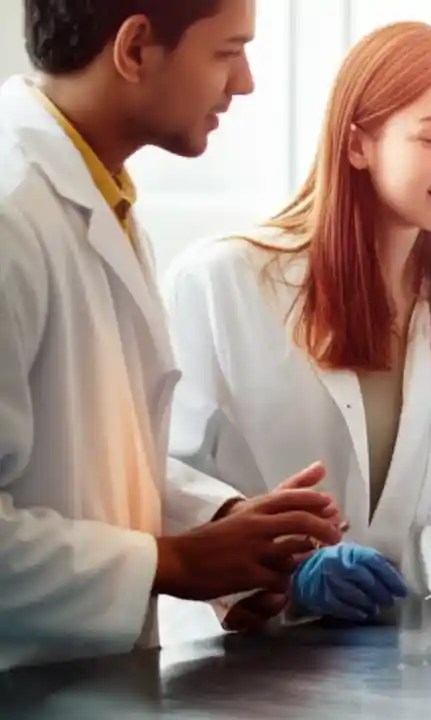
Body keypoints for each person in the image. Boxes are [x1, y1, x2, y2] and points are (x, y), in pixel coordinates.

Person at [0, 0, 344, 669]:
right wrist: (171, 560)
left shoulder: (99, 200)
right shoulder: (12, 211)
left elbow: (79, 457)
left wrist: (222, 528)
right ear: (133, 49)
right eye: (226, 51)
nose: (243, 82)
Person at [163, 21, 431, 626]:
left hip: (407, 663)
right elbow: (164, 472)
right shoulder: (222, 281)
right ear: (358, 145)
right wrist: (281, 572)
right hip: (251, 672)